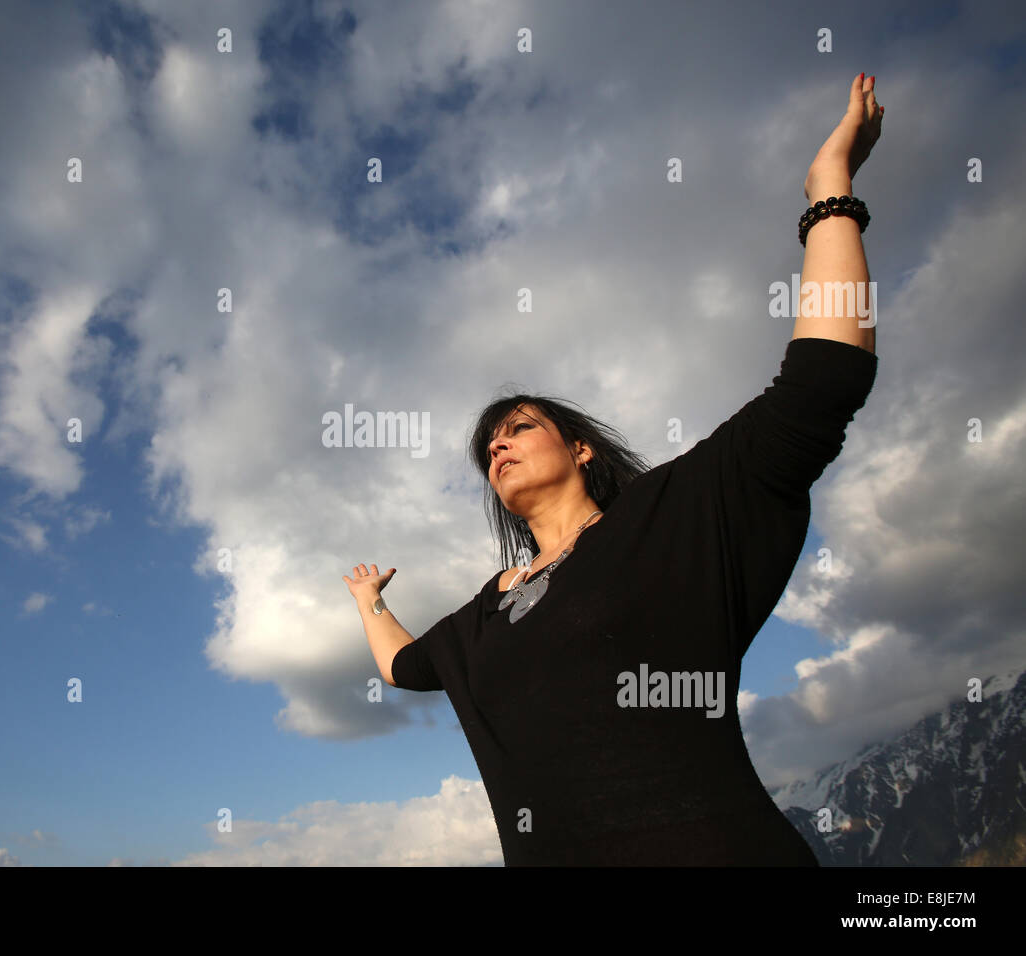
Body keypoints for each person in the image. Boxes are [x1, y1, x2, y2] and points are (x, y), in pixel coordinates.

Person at [344, 72, 884, 865]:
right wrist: (366, 600)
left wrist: (829, 193)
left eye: (520, 427)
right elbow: (402, 666)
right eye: (488, 444)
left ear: (582, 448)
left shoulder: (668, 520)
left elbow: (825, 379)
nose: (496, 445)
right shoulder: (482, 620)